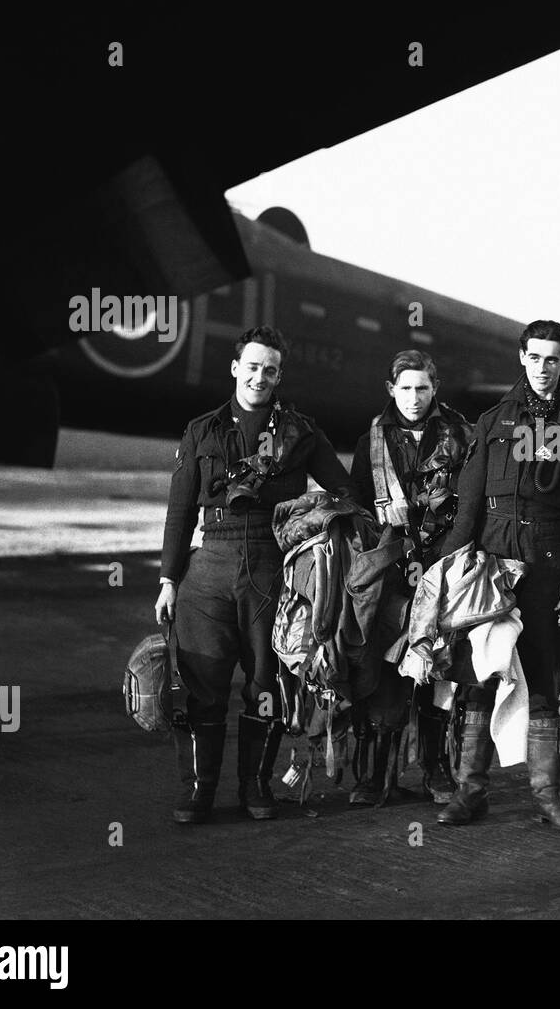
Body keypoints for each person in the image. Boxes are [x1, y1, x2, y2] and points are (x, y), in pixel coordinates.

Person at [155, 325, 353, 824]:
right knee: (203, 683)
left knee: (266, 683)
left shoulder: (302, 433)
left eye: (269, 370)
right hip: (210, 565)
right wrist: (168, 580)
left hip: (273, 565)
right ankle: (197, 791)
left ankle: (256, 786)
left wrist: (316, 523)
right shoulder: (202, 430)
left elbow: (346, 492)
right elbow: (180, 513)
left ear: (278, 375)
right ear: (235, 368)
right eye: (252, 366)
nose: (259, 377)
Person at [434, 320, 560, 830]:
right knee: (481, 676)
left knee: (545, 678)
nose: (543, 368)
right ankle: (469, 791)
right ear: (521, 358)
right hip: (491, 562)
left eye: (553, 359)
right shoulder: (493, 421)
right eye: (534, 357)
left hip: (550, 562)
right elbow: (468, 505)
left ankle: (547, 796)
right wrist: (448, 569)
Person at [346, 350, 474, 805]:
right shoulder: (372, 442)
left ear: (434, 388)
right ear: (391, 390)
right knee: (387, 663)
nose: (415, 397)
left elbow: (473, 503)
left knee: (440, 663)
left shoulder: (461, 436)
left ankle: (436, 769)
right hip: (394, 567)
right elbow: (355, 504)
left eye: (423, 387)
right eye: (405, 388)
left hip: (443, 563)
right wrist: (381, 516)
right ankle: (375, 773)